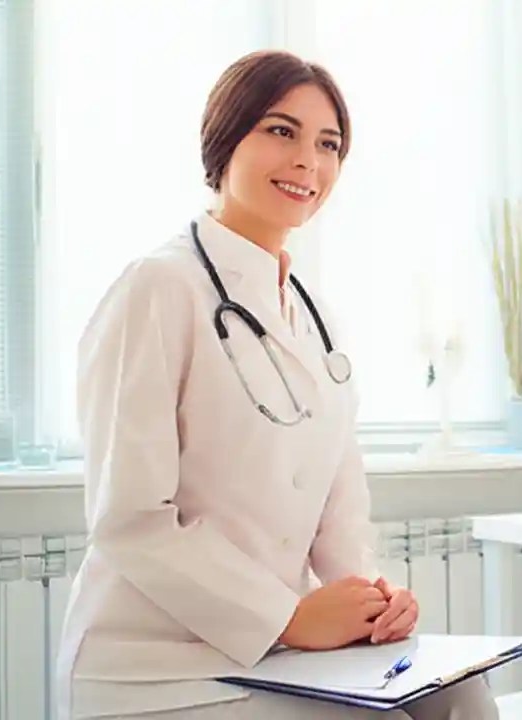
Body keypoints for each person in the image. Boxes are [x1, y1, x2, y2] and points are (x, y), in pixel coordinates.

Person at [55, 50, 499, 720]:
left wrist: (374, 601)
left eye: (329, 145)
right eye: (281, 131)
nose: (308, 163)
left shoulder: (313, 318)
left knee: (463, 700)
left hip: (273, 650)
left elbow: (338, 516)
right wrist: (289, 618)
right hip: (152, 663)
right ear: (226, 137)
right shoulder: (158, 286)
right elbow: (130, 521)